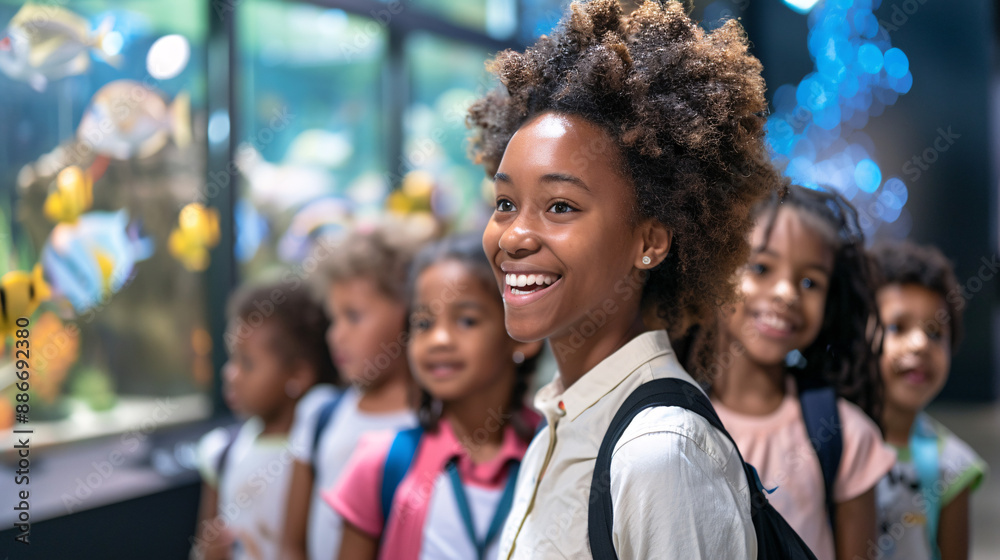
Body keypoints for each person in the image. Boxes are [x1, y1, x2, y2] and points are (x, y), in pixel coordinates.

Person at [465, 0, 779, 557]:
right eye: (507, 202)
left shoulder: (658, 454)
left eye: (560, 206)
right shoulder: (558, 427)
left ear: (649, 242)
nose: (513, 236)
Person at [706, 184, 896, 560]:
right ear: (712, 271)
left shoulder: (846, 435)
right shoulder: (671, 421)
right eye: (760, 267)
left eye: (810, 282)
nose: (786, 293)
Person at [328, 234, 543, 560]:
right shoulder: (381, 462)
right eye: (424, 323)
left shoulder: (555, 457)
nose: (439, 339)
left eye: (466, 320)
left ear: (523, 337)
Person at [280, 222, 425, 560]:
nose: (336, 335)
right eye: (333, 319)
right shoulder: (319, 415)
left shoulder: (436, 422)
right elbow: (291, 544)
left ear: (410, 315)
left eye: (354, 316)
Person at [192, 282, 337, 560]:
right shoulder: (221, 452)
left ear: (298, 374)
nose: (230, 374)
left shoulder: (320, 456)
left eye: (246, 363)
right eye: (231, 358)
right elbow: (205, 543)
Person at [868, 240, 988, 560]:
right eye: (897, 327)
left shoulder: (952, 466)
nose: (920, 344)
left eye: (935, 332)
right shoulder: (833, 442)